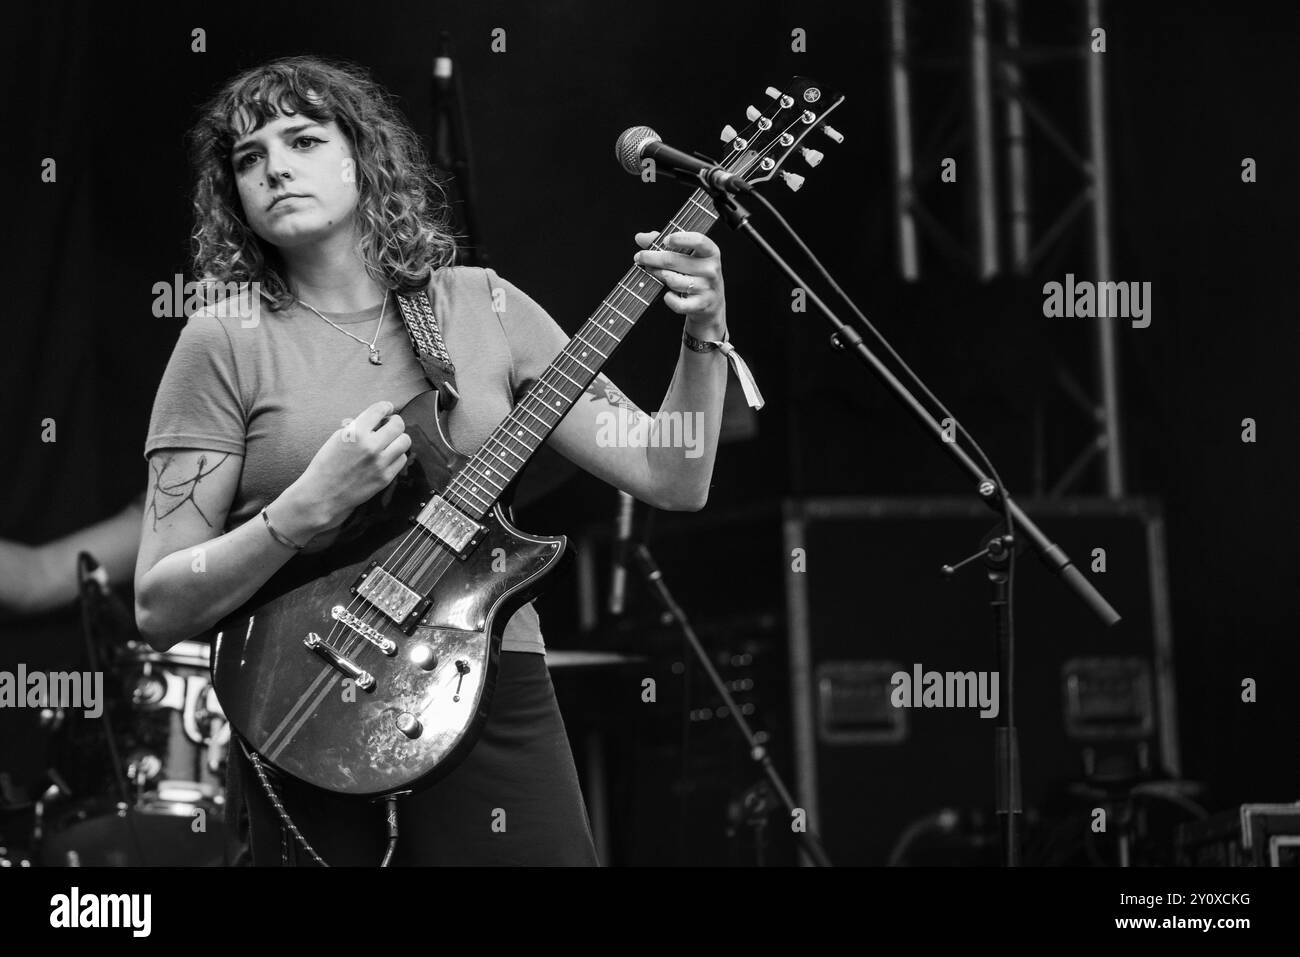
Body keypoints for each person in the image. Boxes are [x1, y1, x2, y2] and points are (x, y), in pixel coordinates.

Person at [133, 56, 743, 866]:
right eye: (248, 159)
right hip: (307, 695)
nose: (274, 167)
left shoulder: (482, 304)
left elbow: (675, 475)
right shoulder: (220, 342)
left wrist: (704, 330)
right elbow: (159, 602)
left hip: (489, 683)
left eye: (303, 140)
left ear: (361, 157)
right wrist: (301, 513)